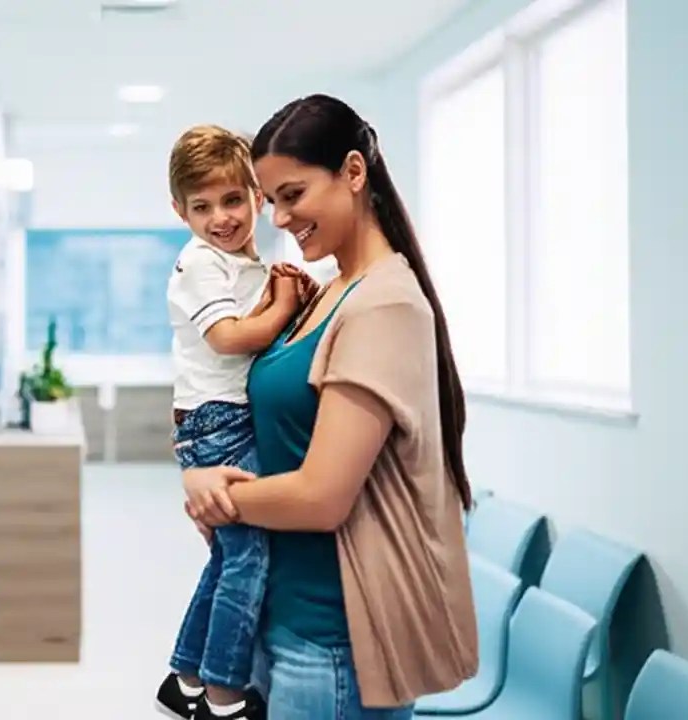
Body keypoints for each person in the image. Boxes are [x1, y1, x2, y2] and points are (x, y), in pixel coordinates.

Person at [181, 95, 478, 720]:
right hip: (284, 617)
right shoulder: (326, 291)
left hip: (335, 640)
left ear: (352, 172)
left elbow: (322, 496)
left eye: (293, 194)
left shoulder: (384, 305)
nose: (281, 218)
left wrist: (215, 495)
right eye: (272, 200)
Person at [154, 125, 318, 720]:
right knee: (249, 558)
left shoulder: (246, 261)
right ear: (180, 211)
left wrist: (281, 292)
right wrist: (281, 308)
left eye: (232, 200)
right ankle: (224, 699)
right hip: (217, 422)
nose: (220, 218)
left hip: (221, 418)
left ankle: (185, 680)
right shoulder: (200, 263)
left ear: (258, 197)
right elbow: (227, 340)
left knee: (229, 558)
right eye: (201, 207)